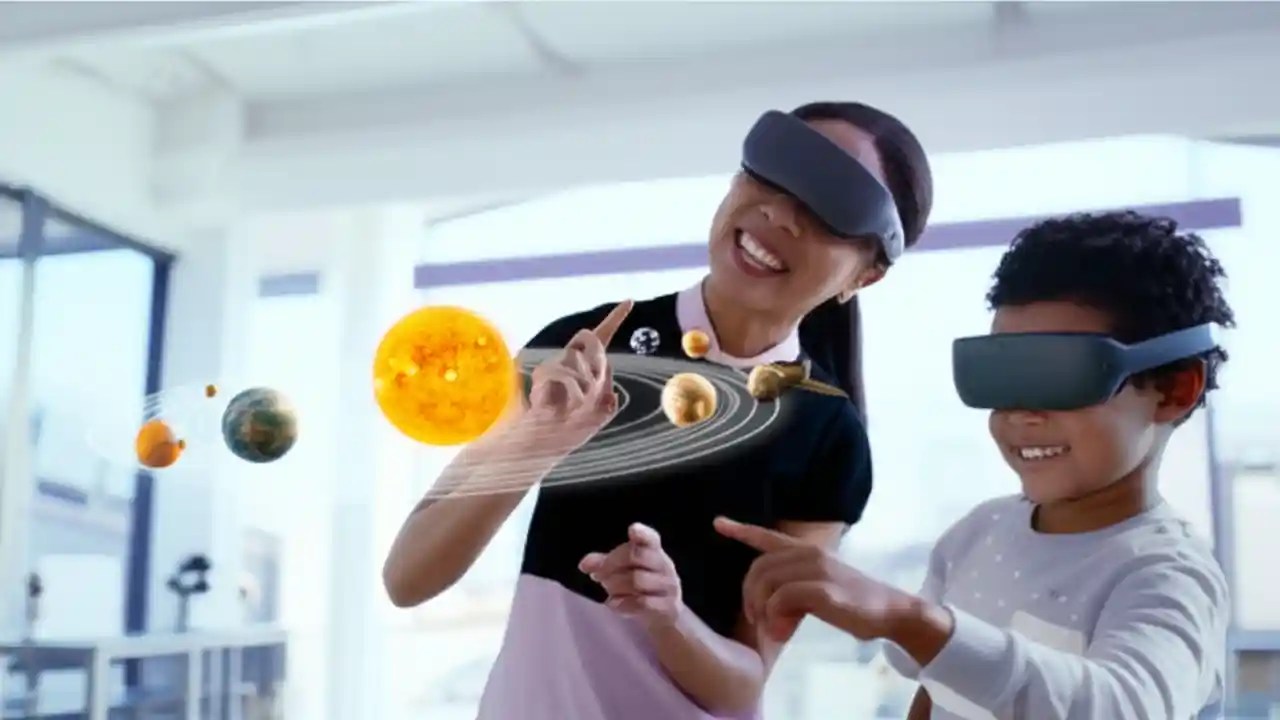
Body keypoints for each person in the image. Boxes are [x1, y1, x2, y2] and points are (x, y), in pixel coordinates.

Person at [381, 101, 933, 719]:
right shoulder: (582, 348)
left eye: (829, 206)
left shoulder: (828, 436)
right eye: (772, 175)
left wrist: (668, 615)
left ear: (865, 276)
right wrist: (536, 440)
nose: (779, 212)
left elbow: (742, 683)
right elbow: (408, 578)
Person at [715, 211, 1235, 719]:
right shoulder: (978, 534)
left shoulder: (1166, 574)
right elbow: (939, 689)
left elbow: (1124, 706)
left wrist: (907, 618)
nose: (1021, 415)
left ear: (1173, 390)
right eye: (999, 375)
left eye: (1058, 376)